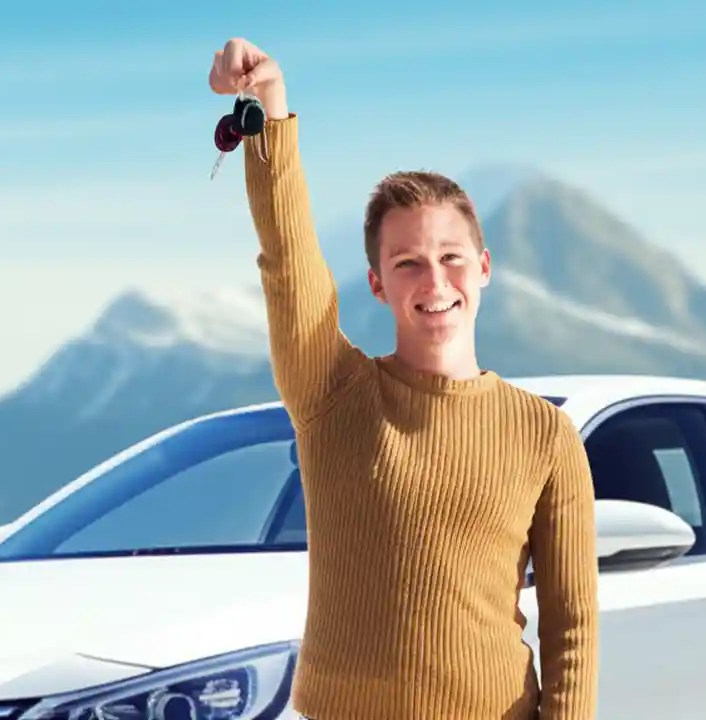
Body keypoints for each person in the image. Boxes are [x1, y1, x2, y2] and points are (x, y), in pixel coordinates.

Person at [207, 38, 599, 719]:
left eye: (450, 257)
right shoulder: (334, 393)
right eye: (408, 263)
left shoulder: (545, 434)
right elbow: (289, 261)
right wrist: (268, 111)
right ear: (377, 284)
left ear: (483, 267)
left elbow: (574, 630)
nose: (434, 281)